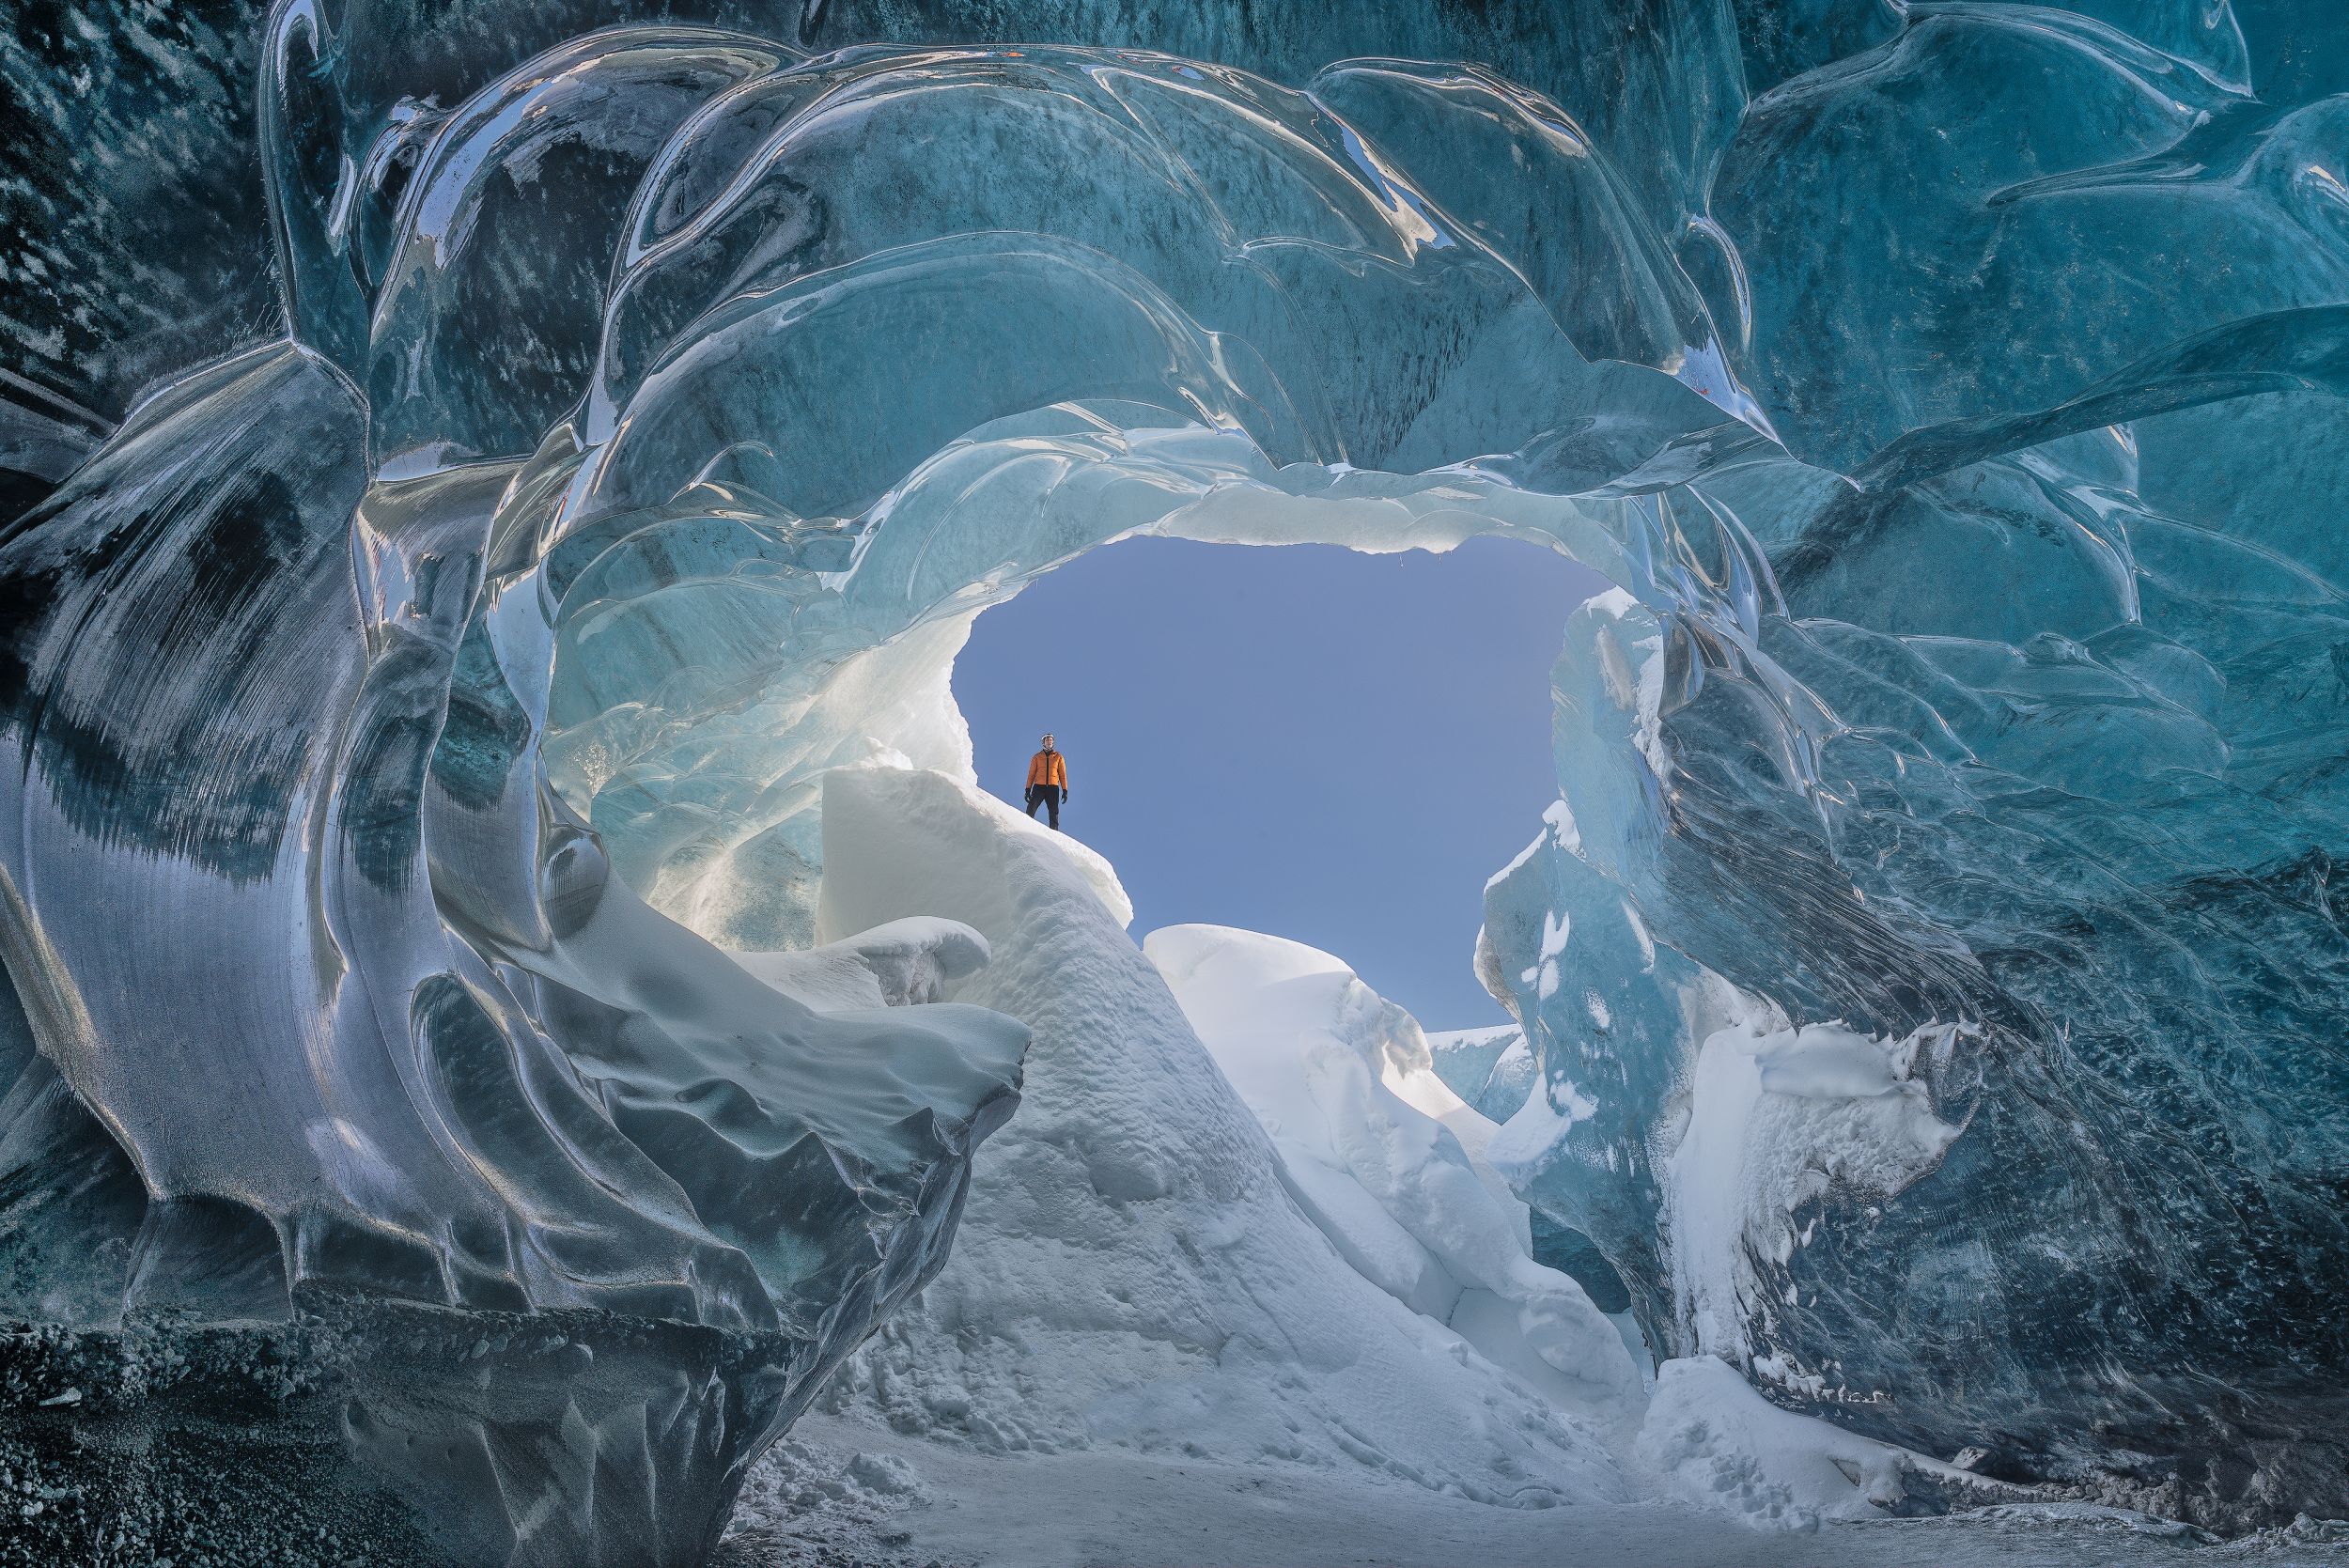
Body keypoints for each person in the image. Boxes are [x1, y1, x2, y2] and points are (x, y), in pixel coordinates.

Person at [1024, 733, 1068, 830]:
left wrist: (1065, 790)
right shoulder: (1037, 757)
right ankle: (1024, 827)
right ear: (1043, 743)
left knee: (1054, 812)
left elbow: (1062, 775)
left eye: (1051, 740)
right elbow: (1031, 774)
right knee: (1031, 808)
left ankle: (1054, 833)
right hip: (1039, 787)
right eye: (1047, 740)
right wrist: (1028, 789)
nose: (1049, 742)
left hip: (1053, 788)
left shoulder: (1058, 757)